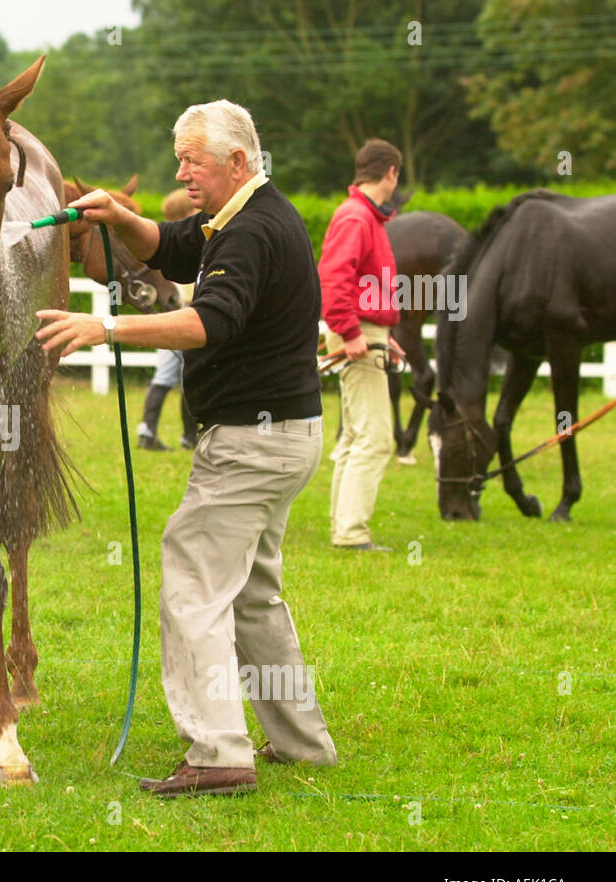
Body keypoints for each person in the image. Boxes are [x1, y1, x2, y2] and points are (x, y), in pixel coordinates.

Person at [36, 99, 337, 797]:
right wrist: (119, 220)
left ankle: (217, 752)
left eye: (190, 160)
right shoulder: (243, 215)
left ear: (236, 162)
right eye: (179, 158)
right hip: (286, 435)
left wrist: (104, 329)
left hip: (252, 444)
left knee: (193, 580)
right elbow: (173, 246)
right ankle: (301, 741)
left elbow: (212, 320)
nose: (181, 171)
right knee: (254, 594)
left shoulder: (253, 231)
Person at [319, 139, 403, 551]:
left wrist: (384, 338)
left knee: (355, 434)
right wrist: (352, 333)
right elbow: (334, 277)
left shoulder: (362, 216)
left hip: (368, 333)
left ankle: (345, 527)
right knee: (375, 437)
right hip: (357, 333)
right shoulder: (357, 218)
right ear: (391, 173)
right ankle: (351, 534)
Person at [137, 188, 200, 451]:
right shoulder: (185, 243)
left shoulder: (172, 244)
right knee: (179, 377)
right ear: (185, 214)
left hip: (176, 314)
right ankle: (175, 435)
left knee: (174, 377)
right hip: (183, 314)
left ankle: (156, 432)